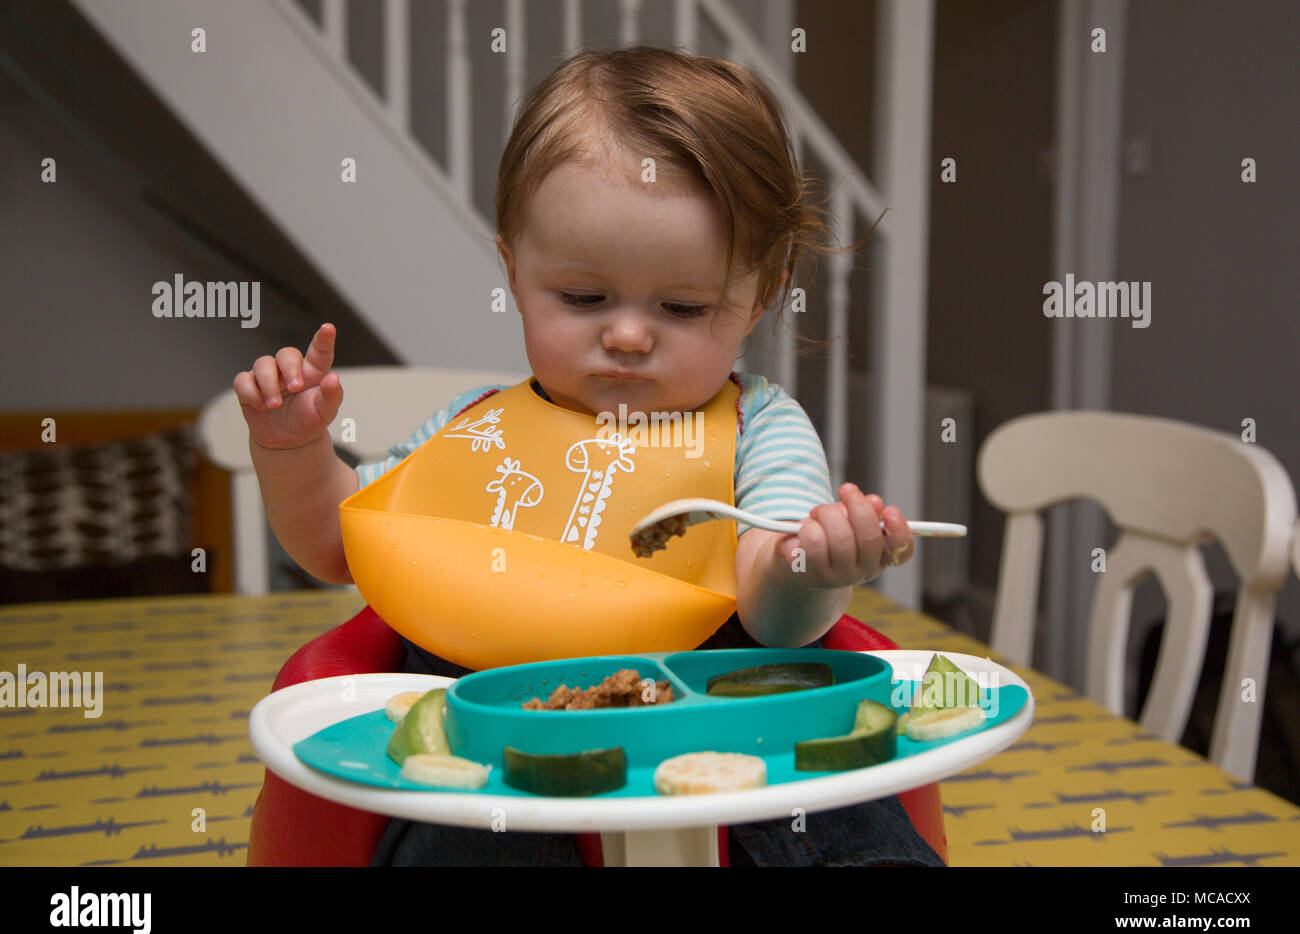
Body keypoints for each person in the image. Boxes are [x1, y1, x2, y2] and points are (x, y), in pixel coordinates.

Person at [234, 46, 943, 867]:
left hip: (723, 737)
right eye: (582, 297)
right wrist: (295, 451)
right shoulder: (475, 429)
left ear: (761, 295)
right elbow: (339, 542)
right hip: (496, 760)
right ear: (514, 270)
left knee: (837, 817)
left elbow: (771, 611)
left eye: (683, 306)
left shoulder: (761, 429)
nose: (629, 335)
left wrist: (812, 567)